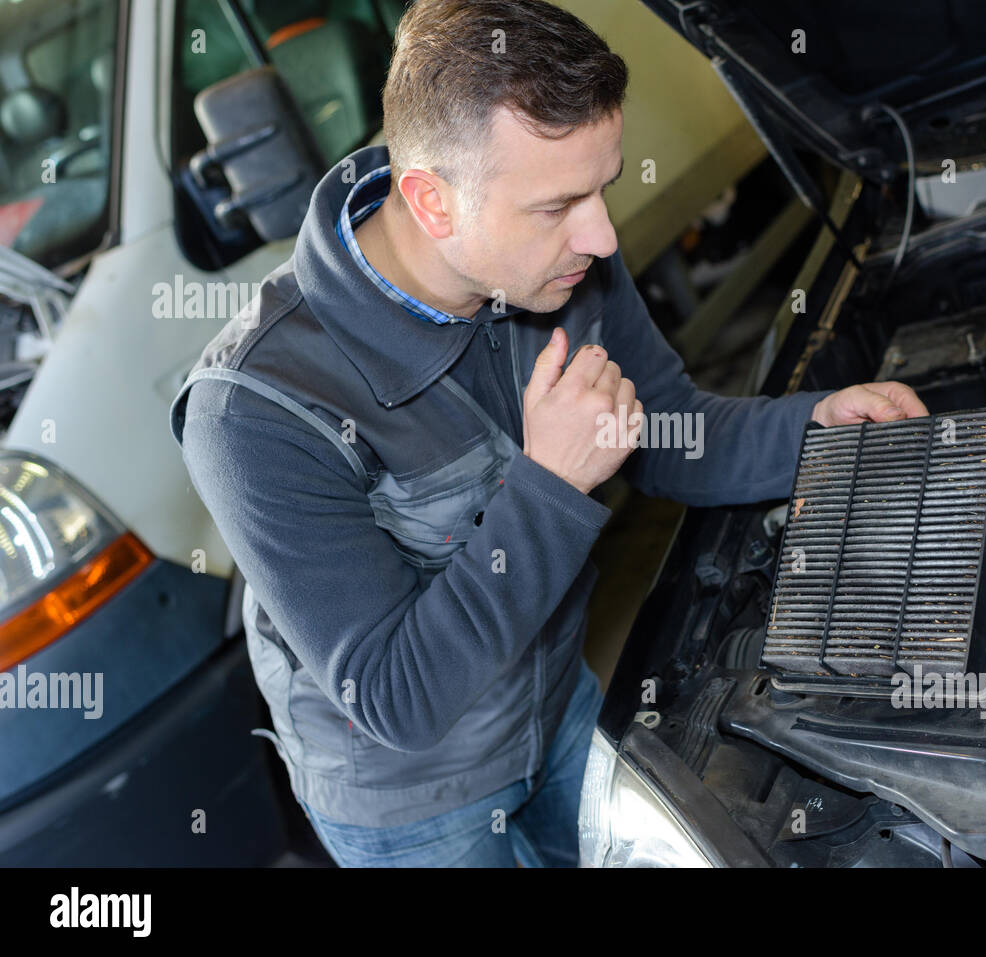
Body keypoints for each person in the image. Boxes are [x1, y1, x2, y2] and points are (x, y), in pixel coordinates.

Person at [168, 0, 927, 868]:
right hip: (417, 805)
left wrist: (815, 427)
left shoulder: (563, 263)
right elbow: (396, 696)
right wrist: (551, 484)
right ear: (431, 201)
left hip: (560, 707)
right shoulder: (255, 411)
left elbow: (671, 432)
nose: (602, 235)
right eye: (560, 203)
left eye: (602, 188)